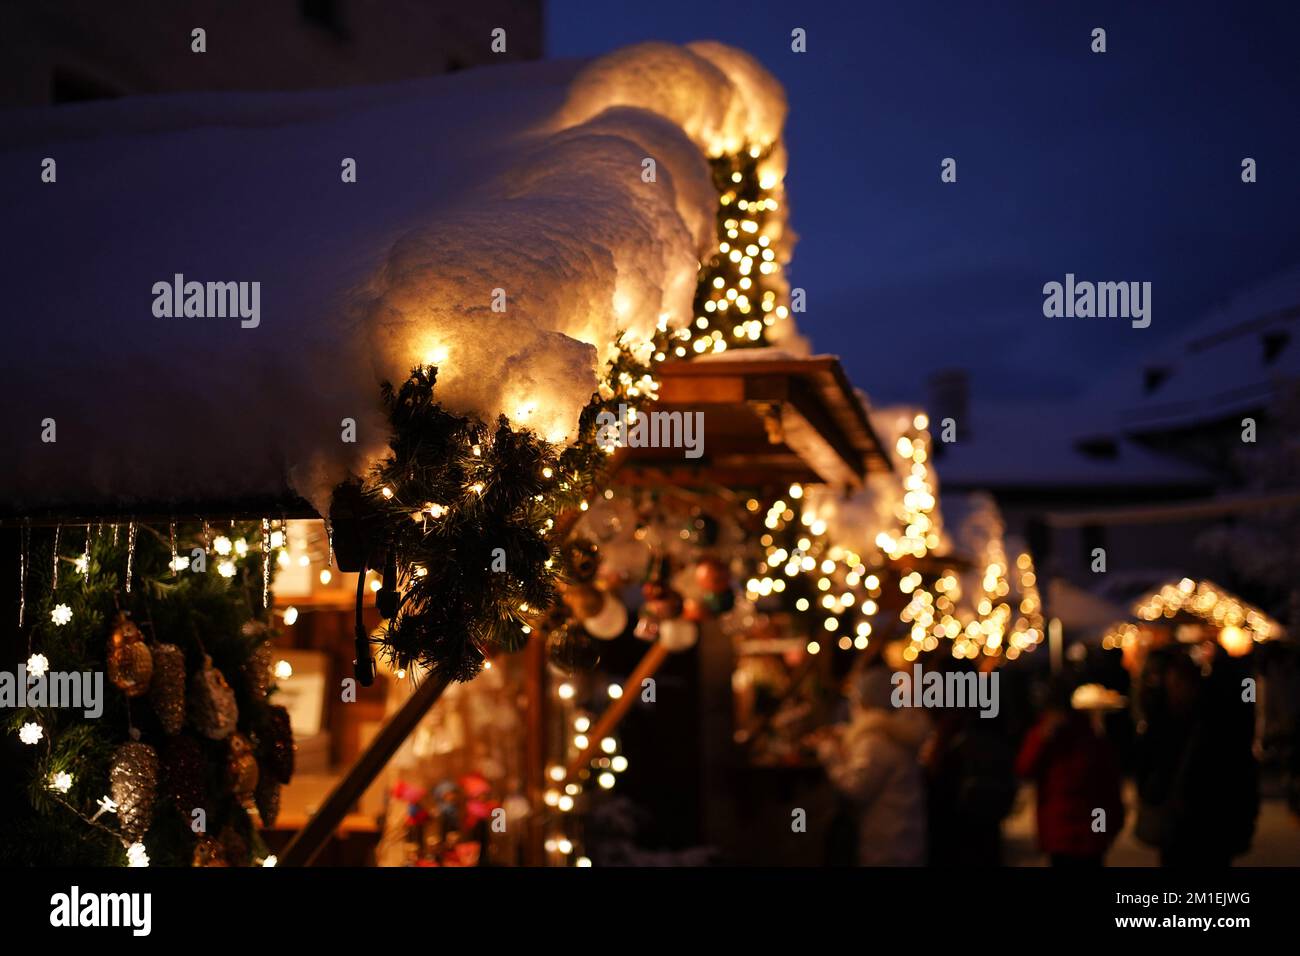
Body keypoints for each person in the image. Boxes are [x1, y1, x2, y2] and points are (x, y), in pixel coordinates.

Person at [1134, 646, 1259, 866]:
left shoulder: (1215, 724)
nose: (1177, 690)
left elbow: (1240, 774)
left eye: (1181, 683)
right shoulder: (1164, 724)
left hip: (1211, 823)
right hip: (1179, 823)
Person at [812, 665, 930, 866]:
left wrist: (829, 753)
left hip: (885, 844)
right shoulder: (898, 733)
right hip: (905, 839)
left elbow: (856, 787)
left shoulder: (875, 740)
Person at [1015, 680, 1125, 866]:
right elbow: (1024, 769)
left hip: (1084, 830)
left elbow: (1107, 784)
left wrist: (1109, 825)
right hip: (1064, 831)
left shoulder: (1087, 737)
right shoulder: (1047, 735)